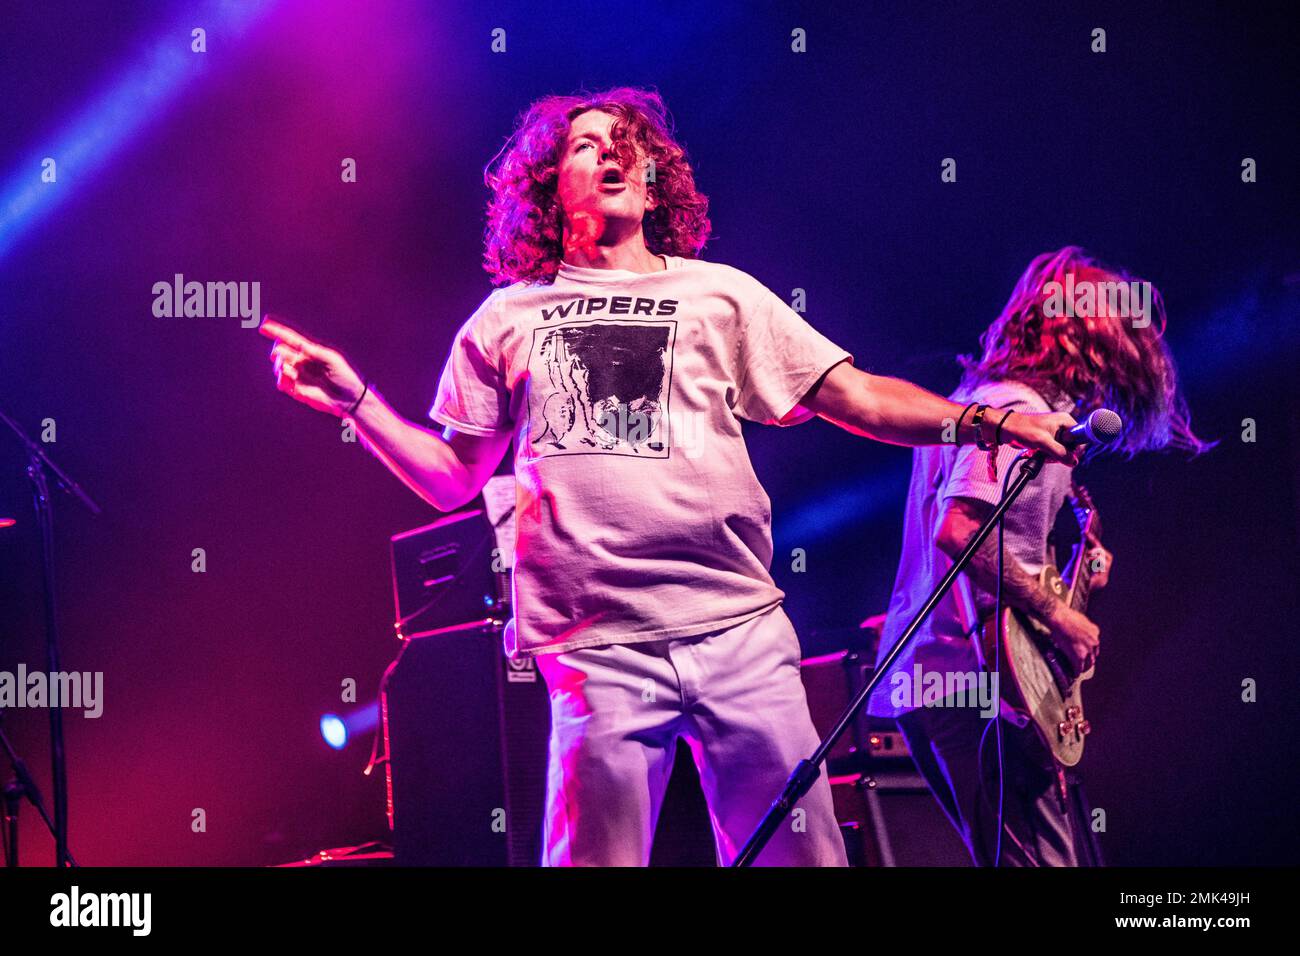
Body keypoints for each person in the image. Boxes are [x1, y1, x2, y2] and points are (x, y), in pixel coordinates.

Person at [260, 87, 1077, 866]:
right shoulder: (506, 317)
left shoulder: (722, 295)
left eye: (629, 146)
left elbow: (856, 396)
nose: (612, 154)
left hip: (739, 633)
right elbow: (451, 477)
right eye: (588, 145)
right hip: (597, 652)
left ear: (653, 185)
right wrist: (355, 400)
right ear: (552, 187)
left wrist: (992, 422)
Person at [866, 245, 1212, 866]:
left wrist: (1077, 580)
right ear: (1088, 335)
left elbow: (998, 550)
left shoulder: (994, 404)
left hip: (964, 679)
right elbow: (958, 531)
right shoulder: (1014, 408)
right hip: (969, 683)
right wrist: (1062, 617)